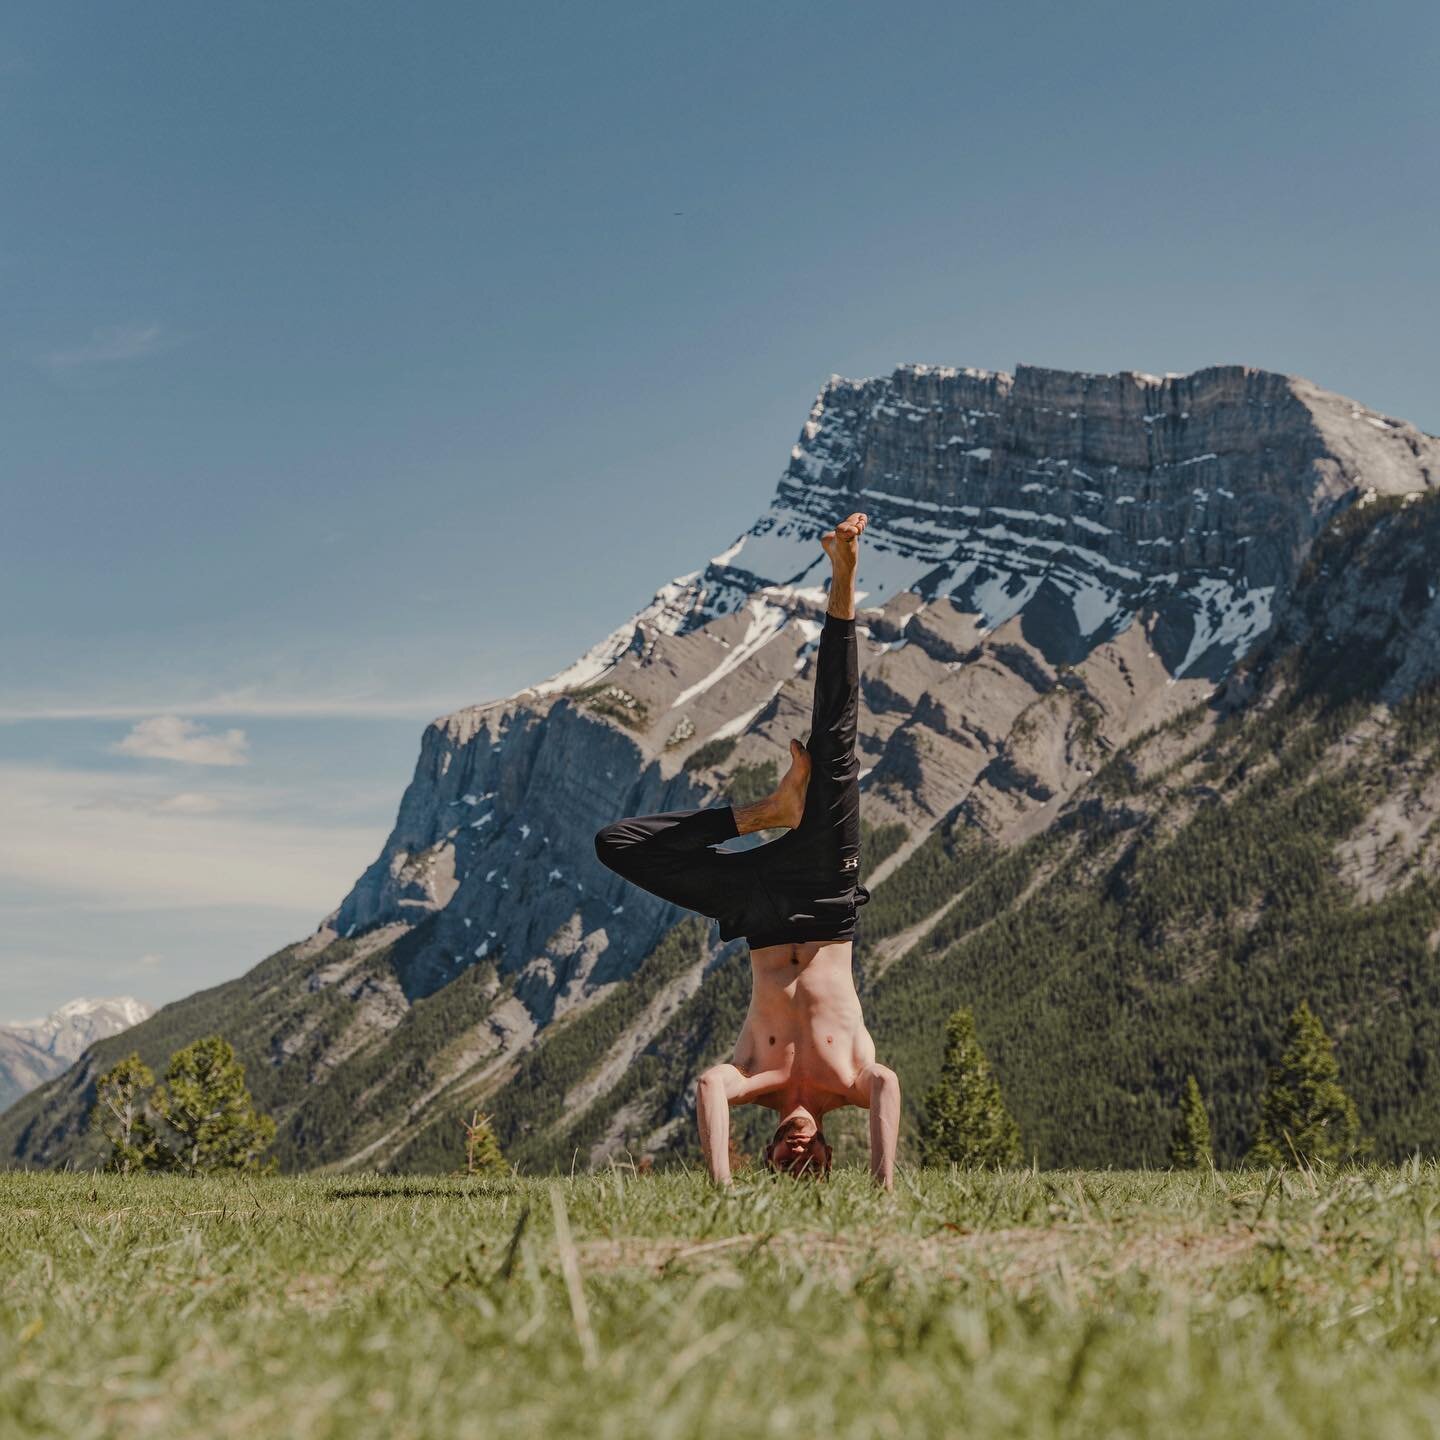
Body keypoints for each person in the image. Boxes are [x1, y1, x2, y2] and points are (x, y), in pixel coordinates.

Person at [594, 512, 900, 1187]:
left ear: (764, 1152)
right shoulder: (850, 1082)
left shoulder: (753, 1084)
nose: (795, 1151)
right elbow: (887, 1085)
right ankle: (844, 580)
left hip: (757, 912)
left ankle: (767, 810)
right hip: (824, 901)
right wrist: (881, 1189)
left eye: (781, 1160)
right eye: (808, 1162)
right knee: (836, 745)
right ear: (824, 1152)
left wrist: (723, 1189)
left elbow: (708, 1085)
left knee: (617, 846)